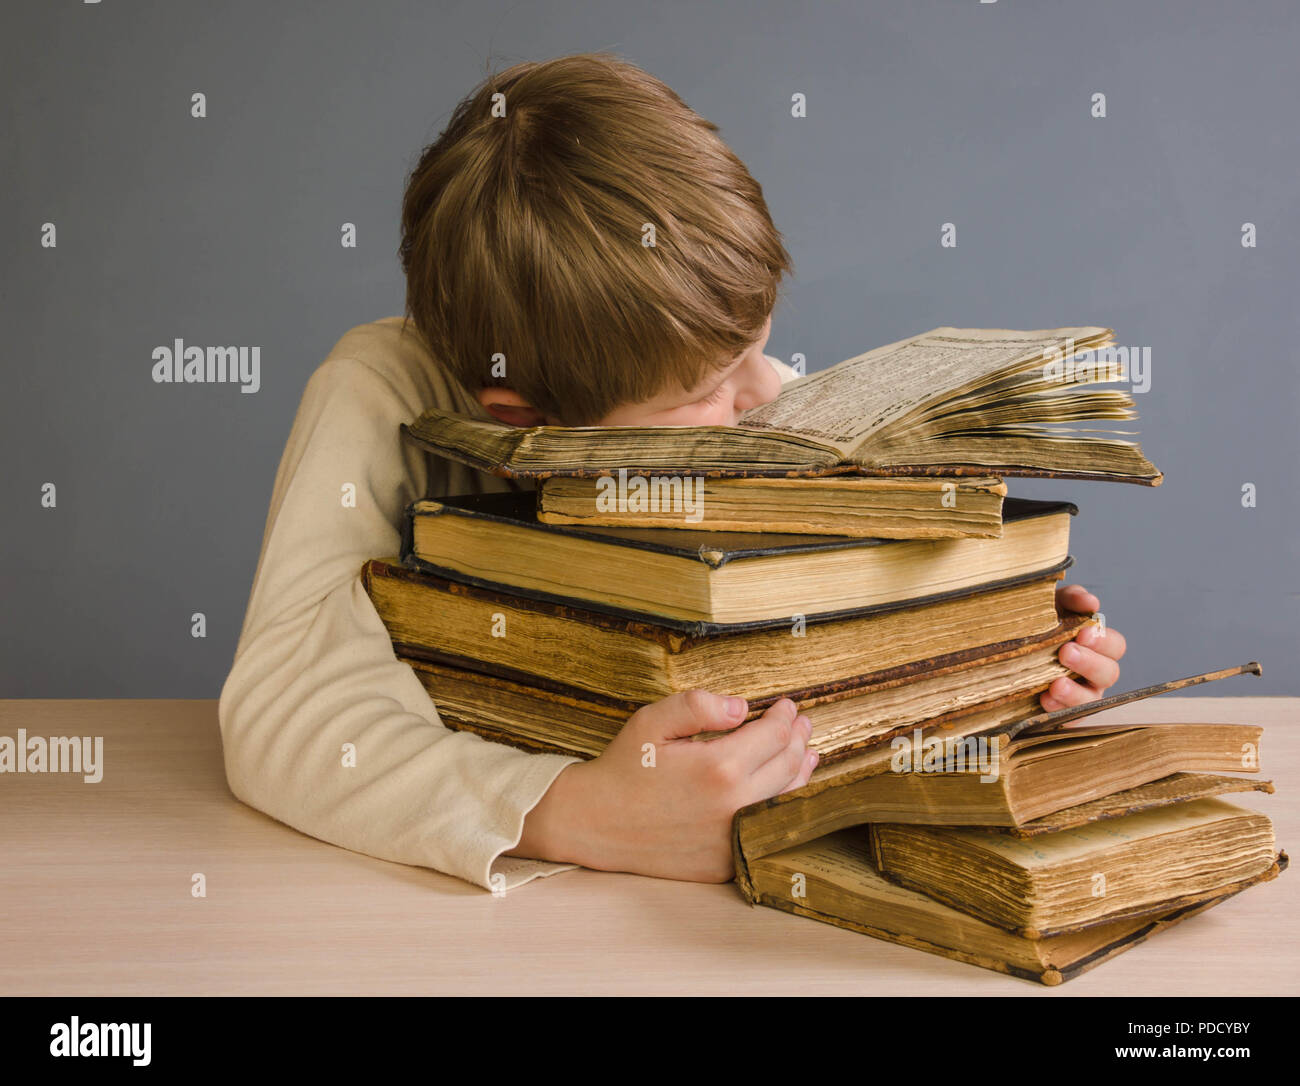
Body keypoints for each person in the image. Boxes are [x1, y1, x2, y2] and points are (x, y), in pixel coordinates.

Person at [218, 52, 1125, 894]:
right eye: (708, 392)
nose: (765, 396)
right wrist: (577, 815)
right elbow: (286, 716)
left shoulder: (745, 394)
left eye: (757, 349)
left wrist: (992, 659)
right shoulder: (379, 388)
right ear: (523, 417)